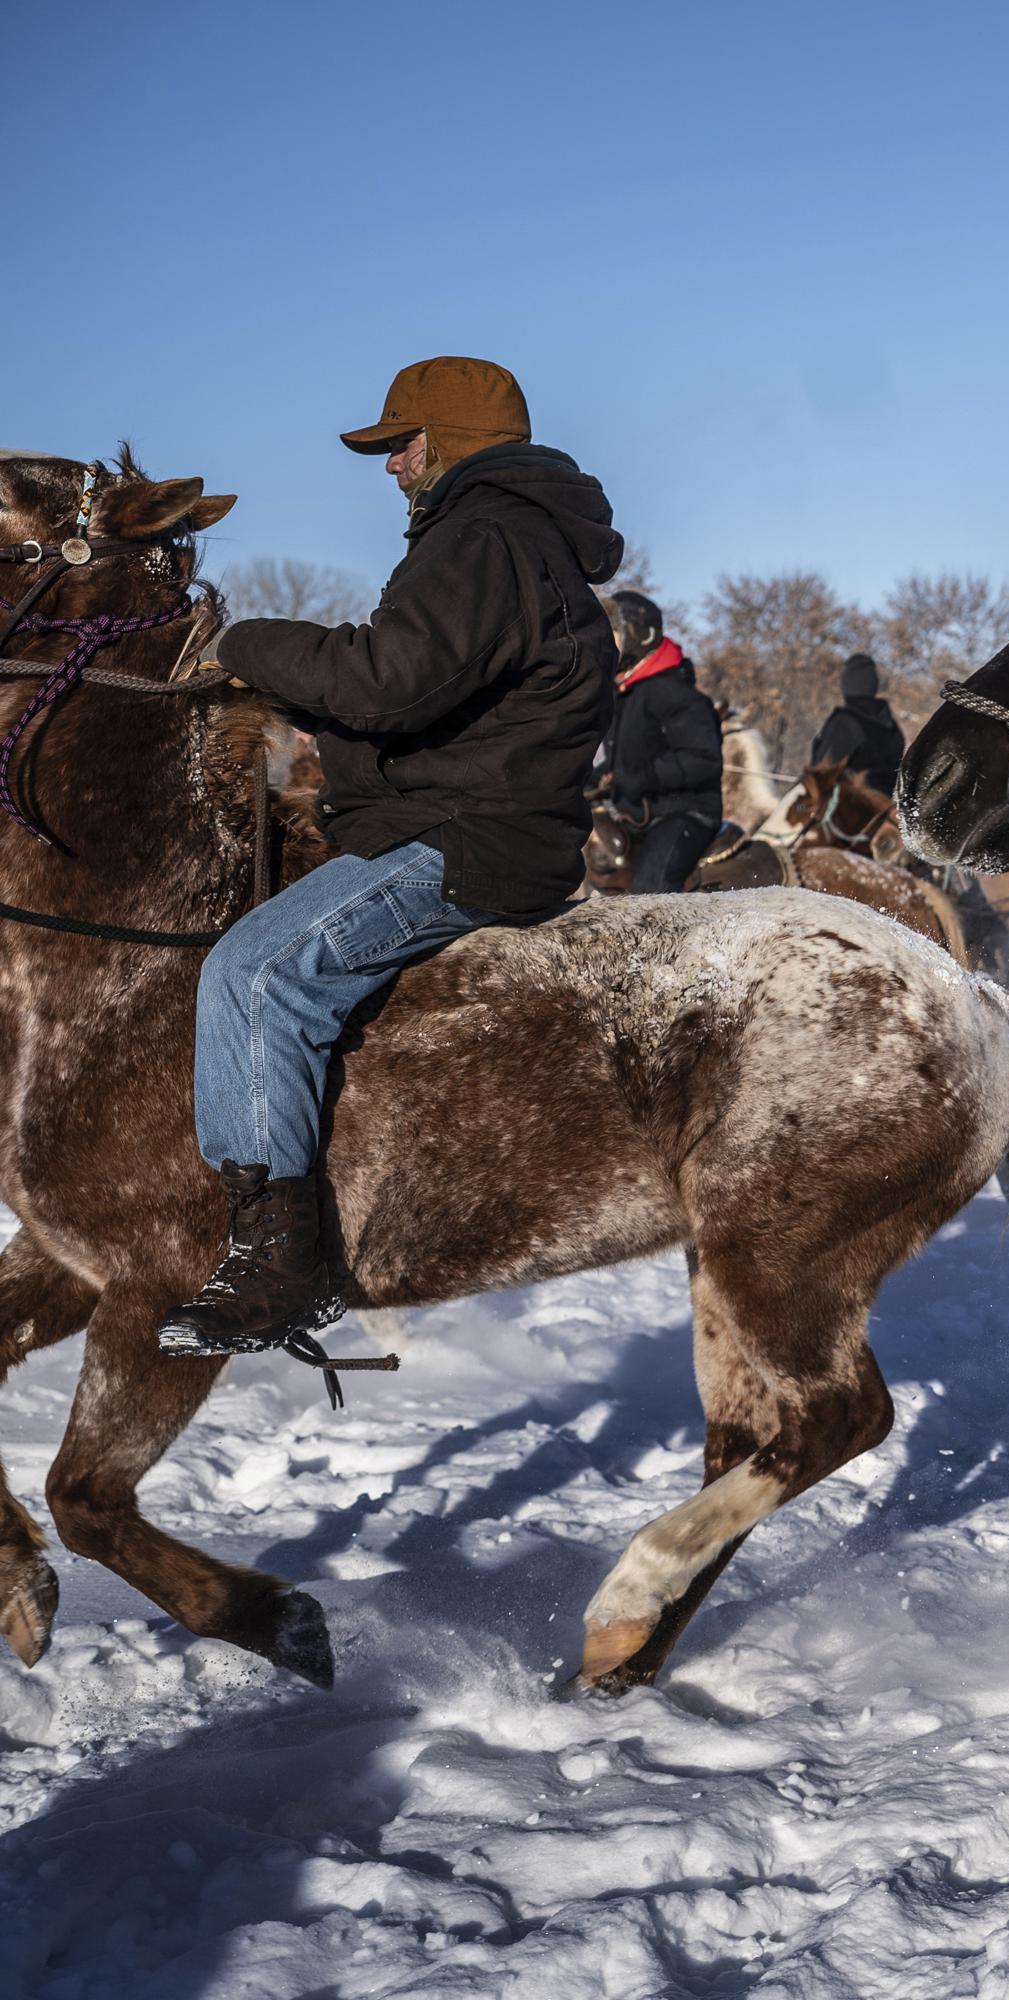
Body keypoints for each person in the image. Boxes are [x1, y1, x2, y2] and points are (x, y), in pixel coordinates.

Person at [164, 356, 620, 1360]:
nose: (390, 466)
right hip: (467, 818)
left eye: (400, 444)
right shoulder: (509, 539)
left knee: (256, 973)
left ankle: (281, 1261)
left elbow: (387, 682)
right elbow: (415, 695)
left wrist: (247, 644)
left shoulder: (481, 537)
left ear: (449, 444)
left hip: (469, 840)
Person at [604, 589, 724, 891]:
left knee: (649, 891)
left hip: (685, 812)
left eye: (613, 634)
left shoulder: (674, 691)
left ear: (637, 636)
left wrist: (639, 777)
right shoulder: (625, 690)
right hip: (637, 811)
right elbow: (626, 759)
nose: (604, 642)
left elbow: (704, 759)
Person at [810, 652, 905, 794]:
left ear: (847, 683)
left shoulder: (845, 722)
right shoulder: (891, 726)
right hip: (885, 807)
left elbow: (823, 772)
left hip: (845, 807)